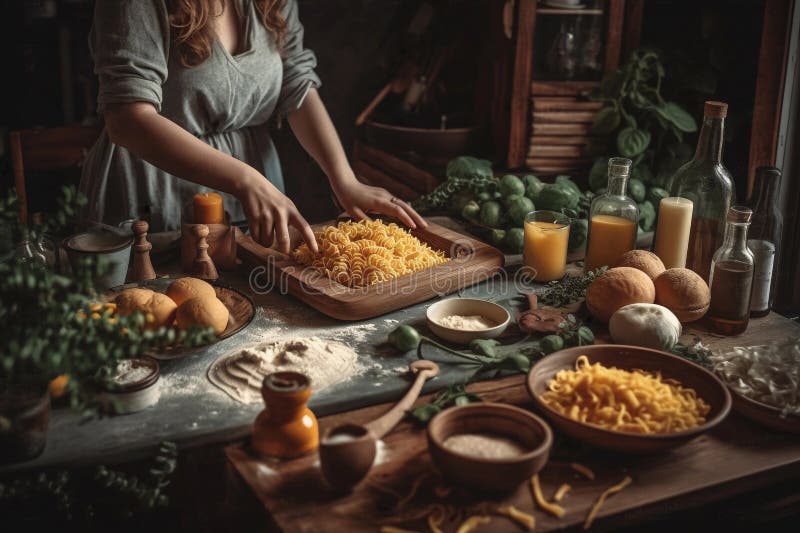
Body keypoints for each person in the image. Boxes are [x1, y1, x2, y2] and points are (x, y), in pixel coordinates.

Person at [80, 0, 426, 254]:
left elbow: (296, 82)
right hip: (153, 185)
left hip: (256, 184)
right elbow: (127, 119)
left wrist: (345, 179)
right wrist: (244, 179)